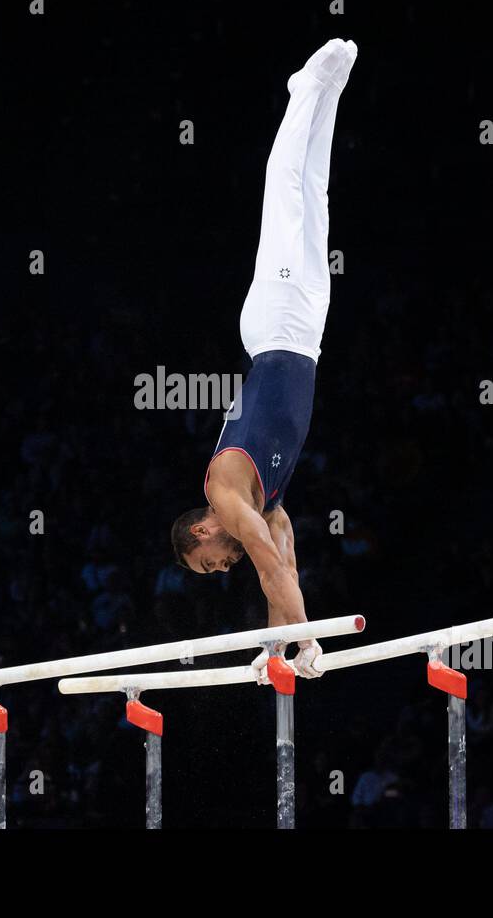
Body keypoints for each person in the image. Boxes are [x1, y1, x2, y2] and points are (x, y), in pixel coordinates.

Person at [169, 38, 357, 681]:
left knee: (285, 194)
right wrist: (279, 648)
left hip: (275, 326)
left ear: (202, 532)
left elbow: (268, 567)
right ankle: (328, 92)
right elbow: (286, 568)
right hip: (305, 337)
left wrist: (305, 643)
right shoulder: (266, 507)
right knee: (317, 200)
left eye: (209, 564)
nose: (220, 571)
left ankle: (301, 90)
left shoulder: (225, 492)